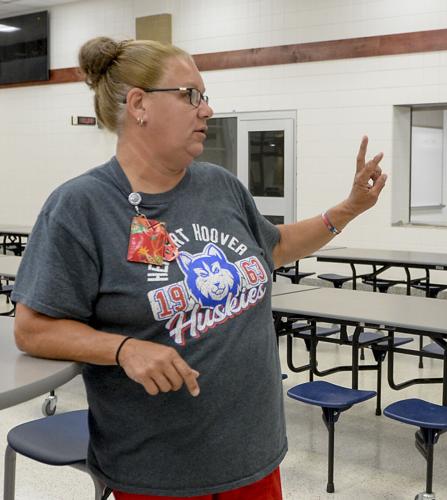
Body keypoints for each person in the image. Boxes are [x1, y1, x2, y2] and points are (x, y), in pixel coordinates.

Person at [11, 36, 386, 499]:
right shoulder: (80, 206)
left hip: (253, 454)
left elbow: (275, 247)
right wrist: (124, 348)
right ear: (139, 104)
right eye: (191, 95)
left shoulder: (220, 186)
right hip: (159, 470)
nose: (206, 110)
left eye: (204, 97)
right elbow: (32, 329)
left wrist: (348, 209)